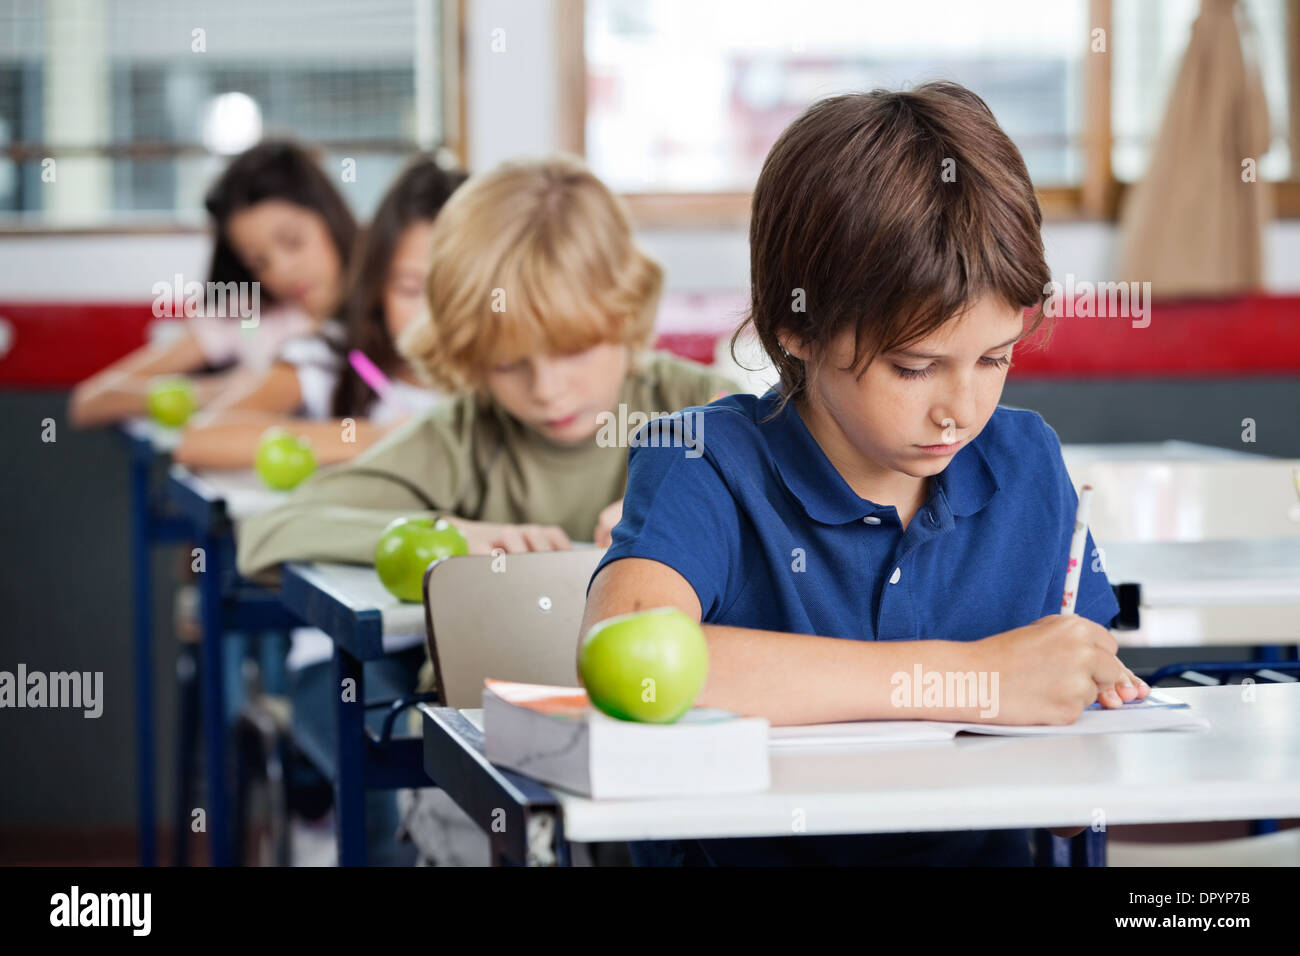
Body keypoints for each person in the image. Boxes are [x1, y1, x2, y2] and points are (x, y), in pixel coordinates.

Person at [582, 82, 1151, 867]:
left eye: (995, 359)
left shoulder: (1027, 465)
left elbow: (1083, 737)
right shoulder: (700, 461)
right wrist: (969, 681)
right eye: (914, 368)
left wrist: (1075, 742)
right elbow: (631, 656)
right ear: (797, 327)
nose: (960, 408)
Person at [69, 140, 354, 429]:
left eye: (293, 242)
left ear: (330, 216)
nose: (281, 271)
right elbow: (90, 401)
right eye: (258, 262)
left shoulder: (385, 304)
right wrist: (222, 392)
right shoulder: (248, 316)